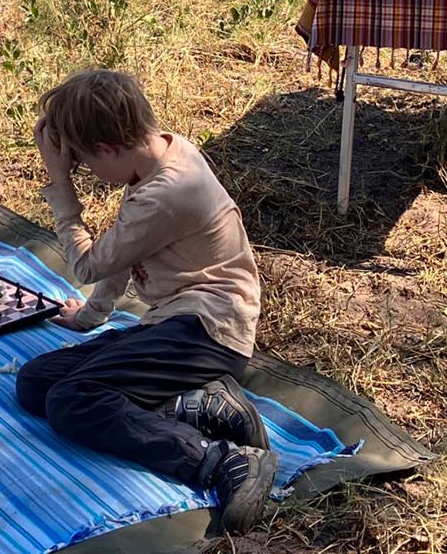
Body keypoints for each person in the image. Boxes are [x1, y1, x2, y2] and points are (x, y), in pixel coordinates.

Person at [15, 69, 278, 535]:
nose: (88, 174)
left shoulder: (164, 193)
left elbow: (89, 265)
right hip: (174, 322)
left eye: (84, 163)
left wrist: (59, 185)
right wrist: (91, 316)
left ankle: (220, 461)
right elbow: (124, 256)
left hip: (209, 330)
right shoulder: (159, 156)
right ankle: (195, 406)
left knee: (73, 401)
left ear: (107, 149)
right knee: (36, 382)